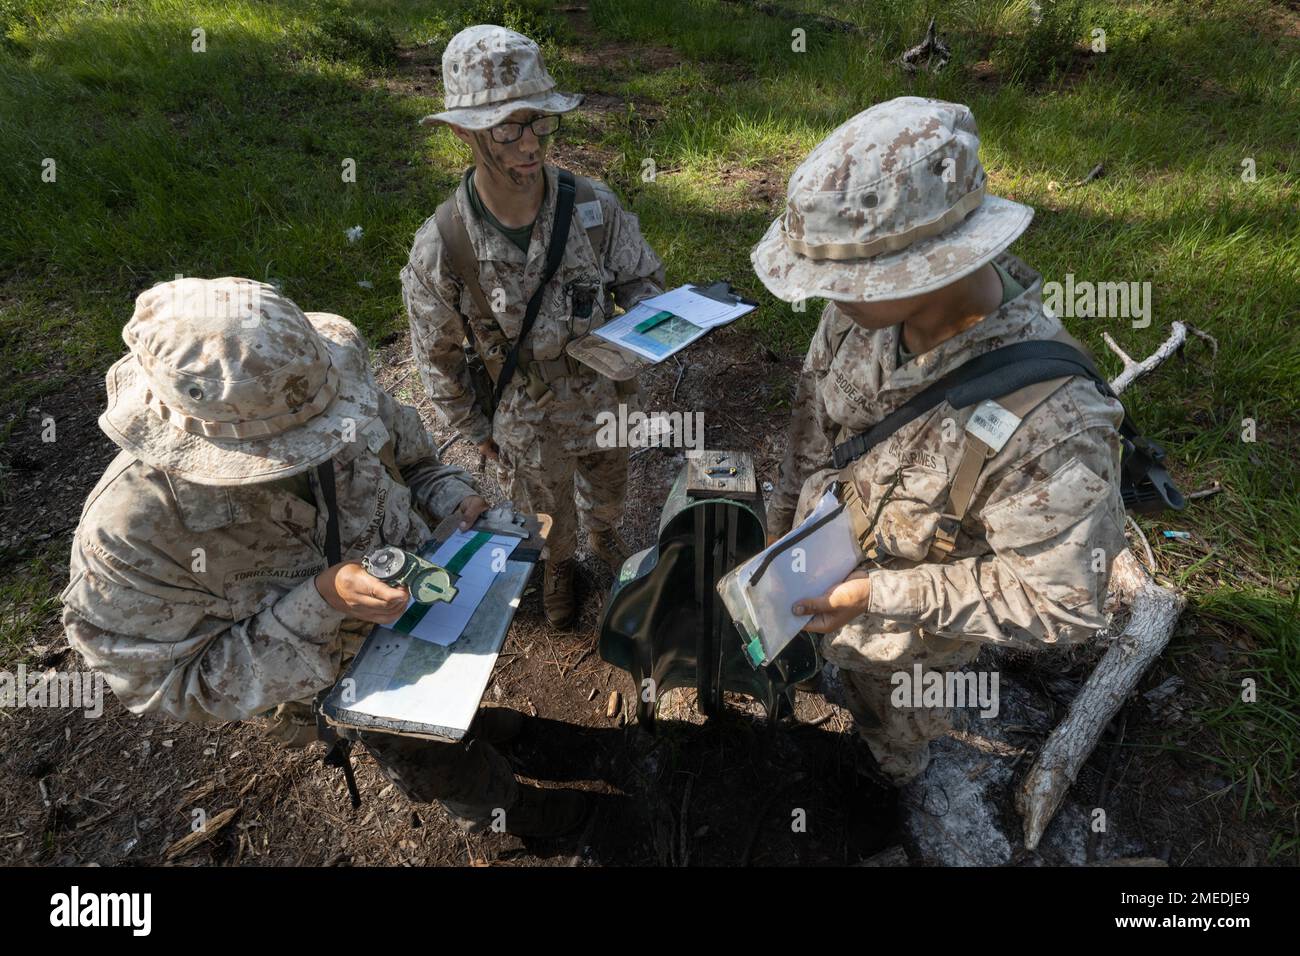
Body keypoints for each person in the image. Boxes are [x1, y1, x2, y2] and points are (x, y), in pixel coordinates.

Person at [61, 276, 586, 836]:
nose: (323, 445)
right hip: (349, 686)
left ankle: (485, 731)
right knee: (442, 768)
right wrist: (321, 602)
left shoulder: (324, 389)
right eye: (284, 453)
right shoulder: (130, 536)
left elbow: (414, 463)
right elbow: (169, 683)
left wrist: (454, 499)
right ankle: (513, 821)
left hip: (432, 619)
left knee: (460, 722)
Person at [752, 97, 1128, 785]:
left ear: (926, 268)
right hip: (816, 576)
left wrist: (878, 598)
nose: (825, 297)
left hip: (912, 650)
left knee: (889, 742)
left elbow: (1064, 603)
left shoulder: (1051, 423)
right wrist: (781, 543)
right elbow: (813, 432)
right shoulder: (859, 319)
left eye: (845, 280)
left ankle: (887, 779)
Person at [401, 25, 666, 626]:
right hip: (523, 411)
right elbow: (436, 354)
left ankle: (602, 546)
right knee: (543, 513)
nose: (530, 143)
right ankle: (556, 570)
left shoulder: (593, 207)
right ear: (464, 131)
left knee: (608, 490)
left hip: (606, 396)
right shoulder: (444, 246)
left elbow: (645, 282)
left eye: (540, 121)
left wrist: (648, 332)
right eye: (509, 128)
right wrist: (475, 427)